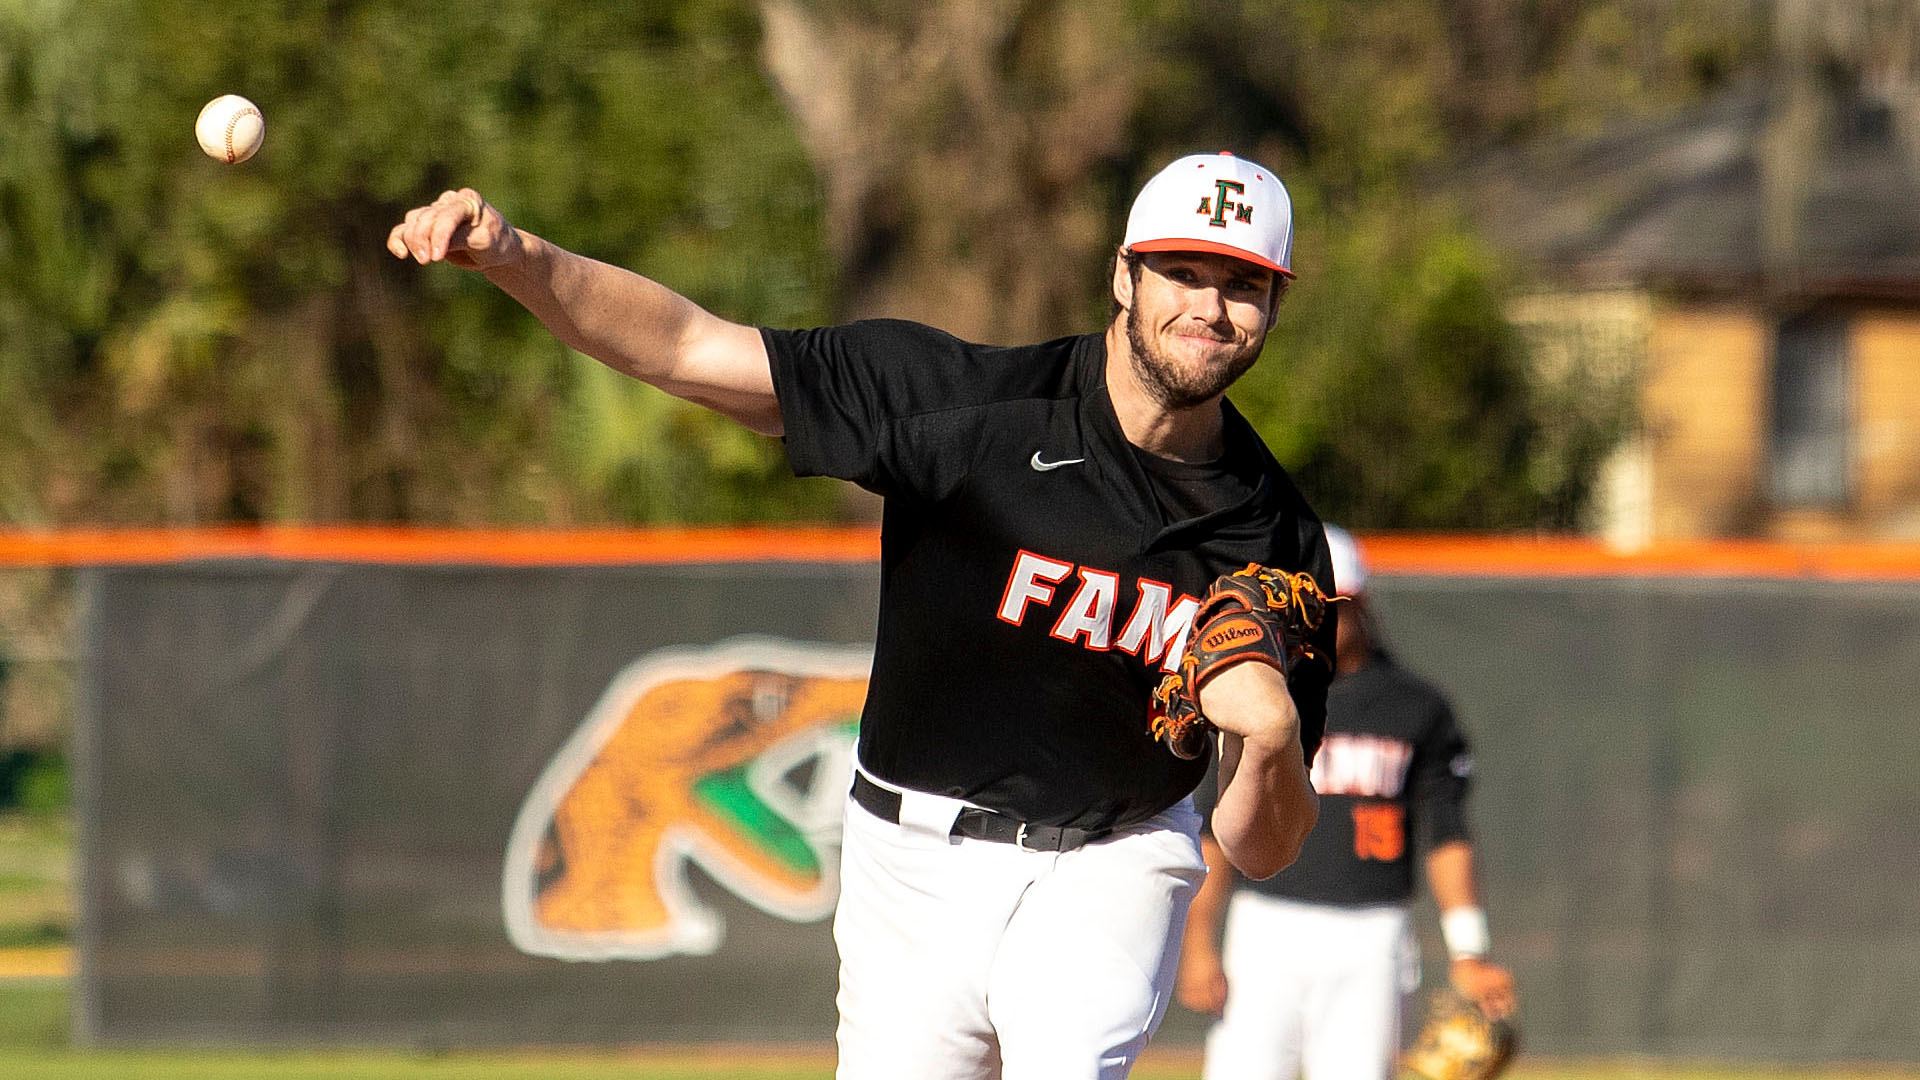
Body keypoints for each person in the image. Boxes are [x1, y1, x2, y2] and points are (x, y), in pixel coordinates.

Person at [388, 151, 1331, 1080]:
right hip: (910, 860)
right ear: (1123, 275)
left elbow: (1264, 847)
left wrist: (1274, 735)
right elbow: (687, 347)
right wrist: (519, 256)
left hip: (1114, 860)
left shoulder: (1276, 537)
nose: (1209, 308)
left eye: (1243, 283)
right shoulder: (966, 406)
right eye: (1182, 272)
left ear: (1275, 307)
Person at [1175, 524, 1517, 1080]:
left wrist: (1468, 949)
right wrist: (1198, 942)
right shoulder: (1259, 692)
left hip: (1373, 930)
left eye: (1336, 604)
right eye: (1307, 604)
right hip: (1265, 924)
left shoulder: (1414, 705)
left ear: (1361, 601)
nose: (1321, 618)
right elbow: (1217, 827)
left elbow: (1446, 833)